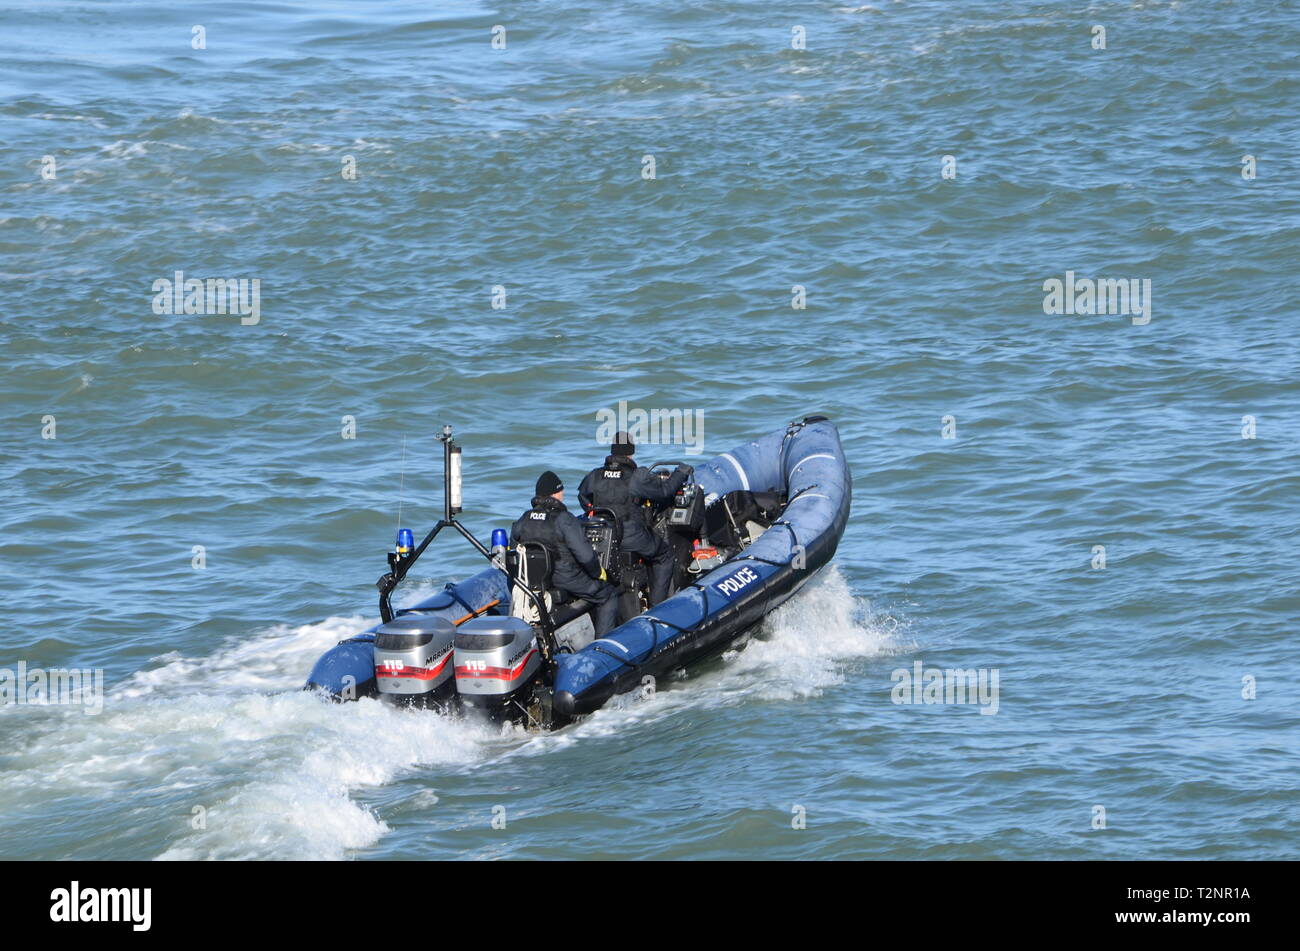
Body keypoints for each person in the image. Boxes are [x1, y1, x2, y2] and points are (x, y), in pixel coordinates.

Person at [578, 432, 691, 606]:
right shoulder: (636, 476)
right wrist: (681, 472)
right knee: (665, 555)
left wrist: (595, 512)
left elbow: (583, 496)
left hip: (604, 538)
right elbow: (665, 491)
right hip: (630, 536)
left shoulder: (595, 475)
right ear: (631, 452)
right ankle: (657, 607)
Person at [510, 470, 619, 636]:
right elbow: (586, 557)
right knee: (608, 594)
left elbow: (514, 549)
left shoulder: (524, 518)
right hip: (566, 578)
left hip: (536, 580)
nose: (562, 495)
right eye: (561, 492)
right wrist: (600, 573)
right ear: (554, 494)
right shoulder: (564, 519)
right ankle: (603, 647)